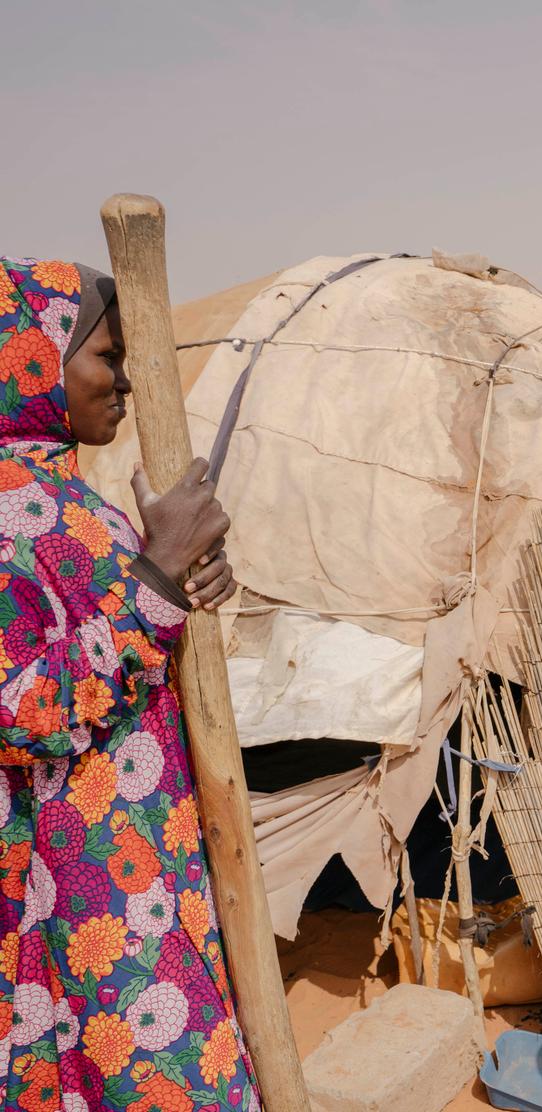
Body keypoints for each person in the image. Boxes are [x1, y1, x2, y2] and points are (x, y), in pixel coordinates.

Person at [0, 258, 254, 1108]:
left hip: (144, 862)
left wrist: (181, 589)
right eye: (108, 357)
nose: (129, 383)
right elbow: (23, 711)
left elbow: (130, 637)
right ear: (32, 359)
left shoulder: (61, 495)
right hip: (82, 889)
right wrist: (156, 574)